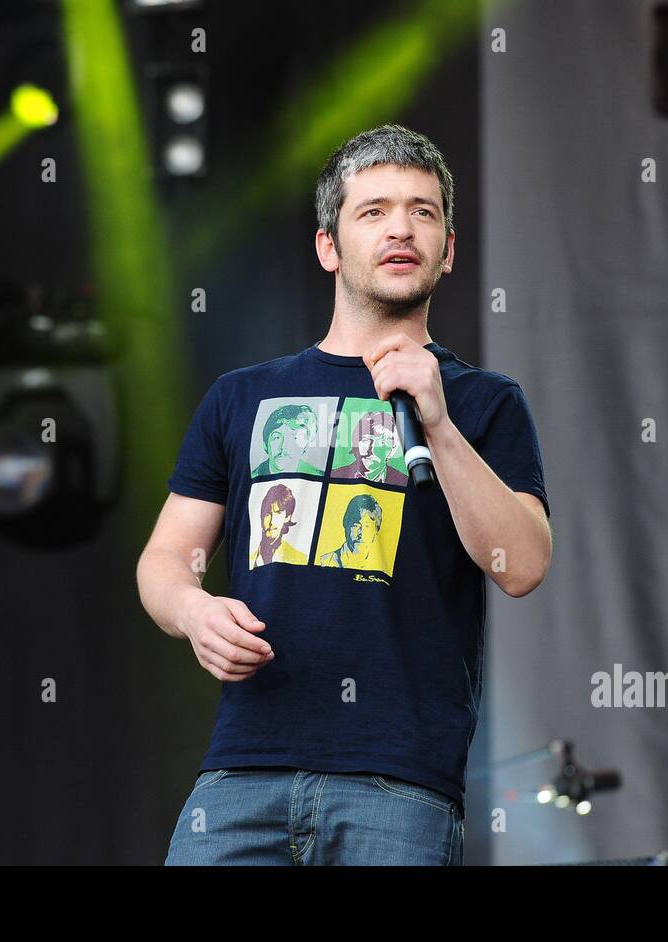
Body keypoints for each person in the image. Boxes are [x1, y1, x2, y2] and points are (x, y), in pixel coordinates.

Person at [138, 124, 552, 865]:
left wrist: (439, 422)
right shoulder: (243, 396)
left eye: (424, 212)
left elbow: (521, 564)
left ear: (449, 250)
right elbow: (165, 559)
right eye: (375, 210)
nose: (401, 227)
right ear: (329, 246)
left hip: (397, 786)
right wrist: (194, 610)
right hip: (241, 774)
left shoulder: (486, 403)